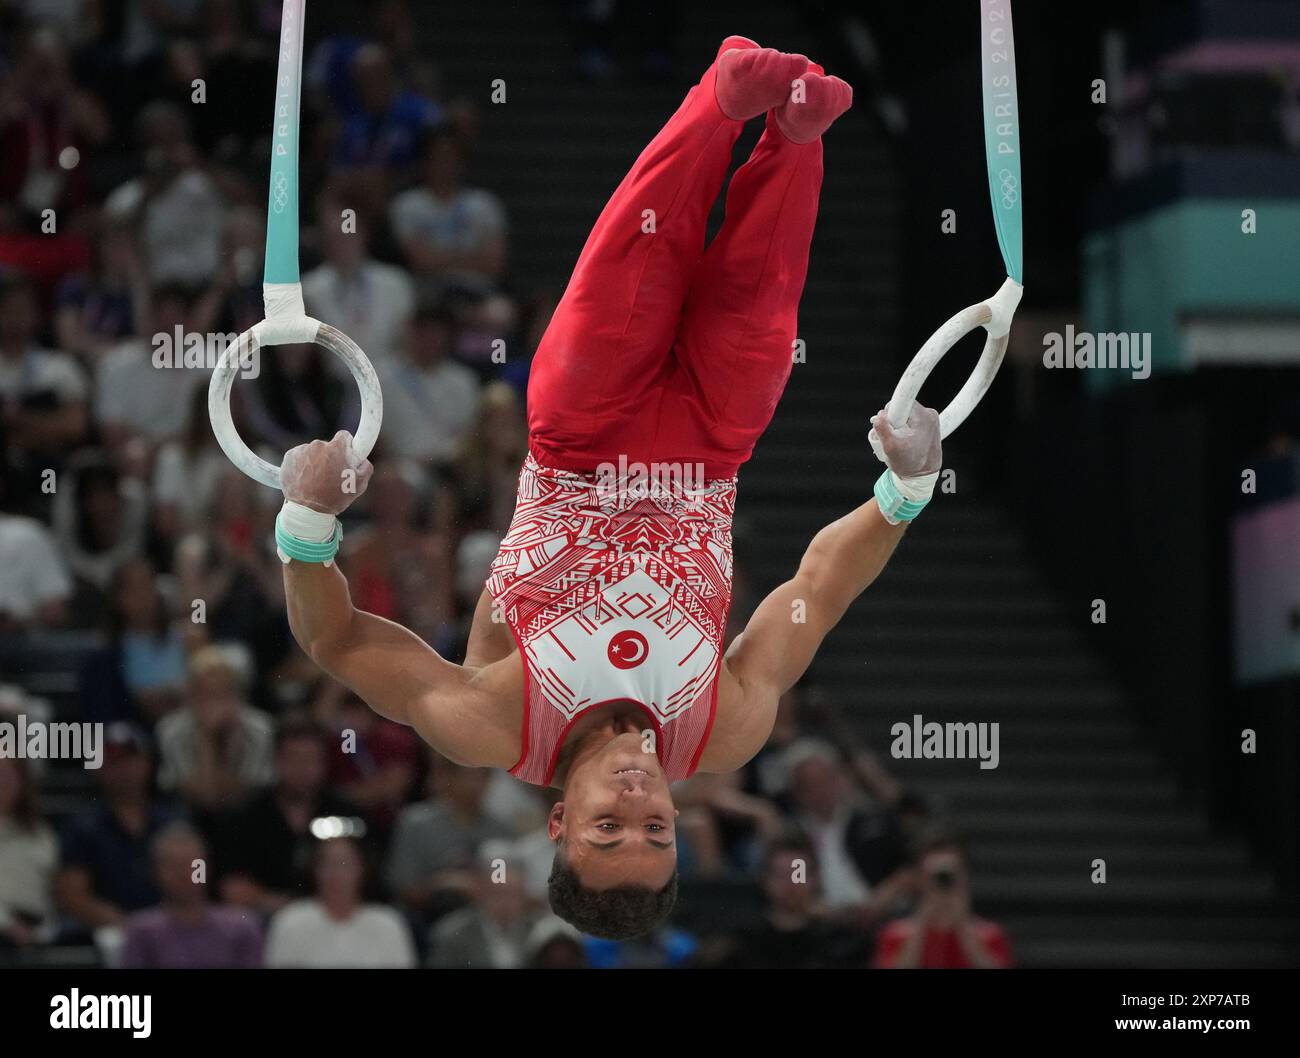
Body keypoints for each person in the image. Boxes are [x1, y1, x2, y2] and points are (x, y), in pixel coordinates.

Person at [271, 38, 943, 940]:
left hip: (582, 436)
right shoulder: (724, 731)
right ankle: (798, 137)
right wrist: (903, 492)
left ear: (557, 822)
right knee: (763, 293)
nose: (637, 800)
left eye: (607, 826)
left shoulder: (494, 723)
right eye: (656, 827)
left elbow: (336, 640)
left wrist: (308, 521)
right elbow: (815, 596)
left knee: (639, 249)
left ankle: (721, 99)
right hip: (712, 446)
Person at [119, 821, 263, 968]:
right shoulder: (141, 931)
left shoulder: (242, 927)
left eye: (193, 864)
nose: (183, 873)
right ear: (155, 872)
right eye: (172, 865)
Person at [265, 836, 415, 968]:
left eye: (345, 864)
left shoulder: (388, 923)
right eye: (328, 864)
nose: (336, 873)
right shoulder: (290, 921)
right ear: (315, 870)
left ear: (362, 869)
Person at [873, 835, 1013, 969]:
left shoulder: (989, 934)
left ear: (965, 876)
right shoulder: (896, 934)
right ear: (920, 878)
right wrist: (922, 922)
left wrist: (962, 924)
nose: (942, 881)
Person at [0, 757, 59, 947]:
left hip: (33, 937)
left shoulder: (43, 835)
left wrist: (41, 933)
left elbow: (53, 896)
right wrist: (6, 924)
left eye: (9, 775)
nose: (3, 782)